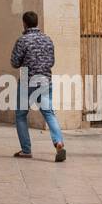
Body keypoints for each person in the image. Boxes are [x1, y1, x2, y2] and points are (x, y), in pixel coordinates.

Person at [9, 11, 65, 162]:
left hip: (28, 81)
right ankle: (58, 142)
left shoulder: (23, 40)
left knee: (21, 115)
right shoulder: (47, 39)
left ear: (24, 23)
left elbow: (14, 63)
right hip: (45, 80)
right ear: (37, 22)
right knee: (49, 113)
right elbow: (51, 62)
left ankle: (26, 150)